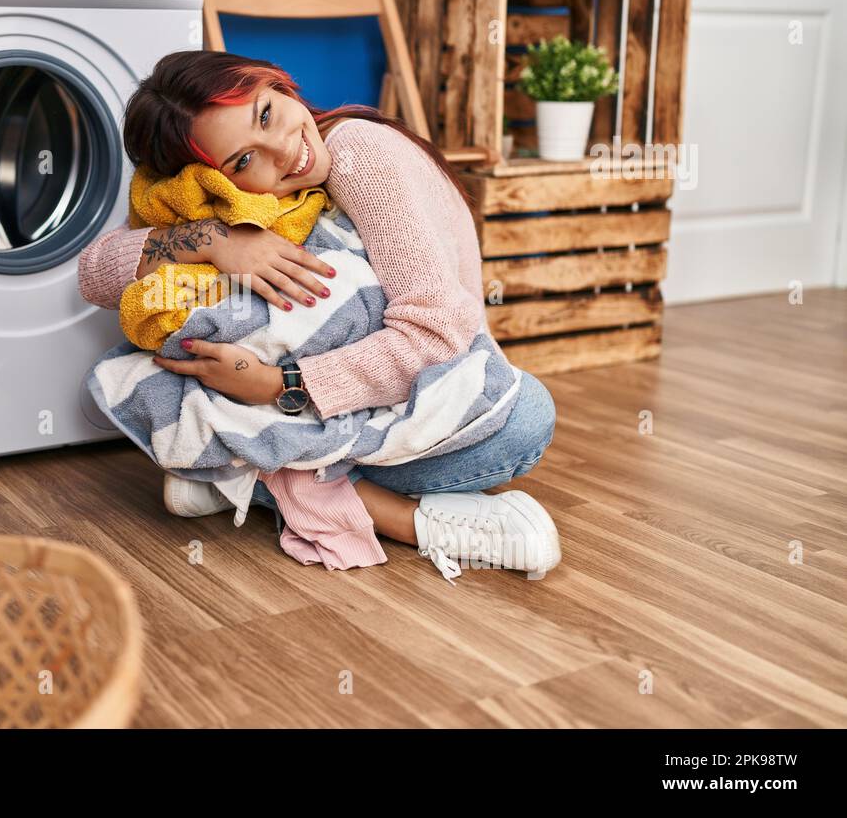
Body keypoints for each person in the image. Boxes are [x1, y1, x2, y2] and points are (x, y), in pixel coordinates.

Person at [79, 50, 562, 582]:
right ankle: (256, 472)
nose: (283, 150)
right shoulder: (249, 206)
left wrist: (278, 385)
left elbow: (434, 334)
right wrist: (216, 239)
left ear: (277, 83)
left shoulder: (358, 151)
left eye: (265, 114)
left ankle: (270, 485)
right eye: (243, 161)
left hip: (412, 381)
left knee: (526, 419)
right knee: (166, 359)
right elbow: (95, 274)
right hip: (333, 402)